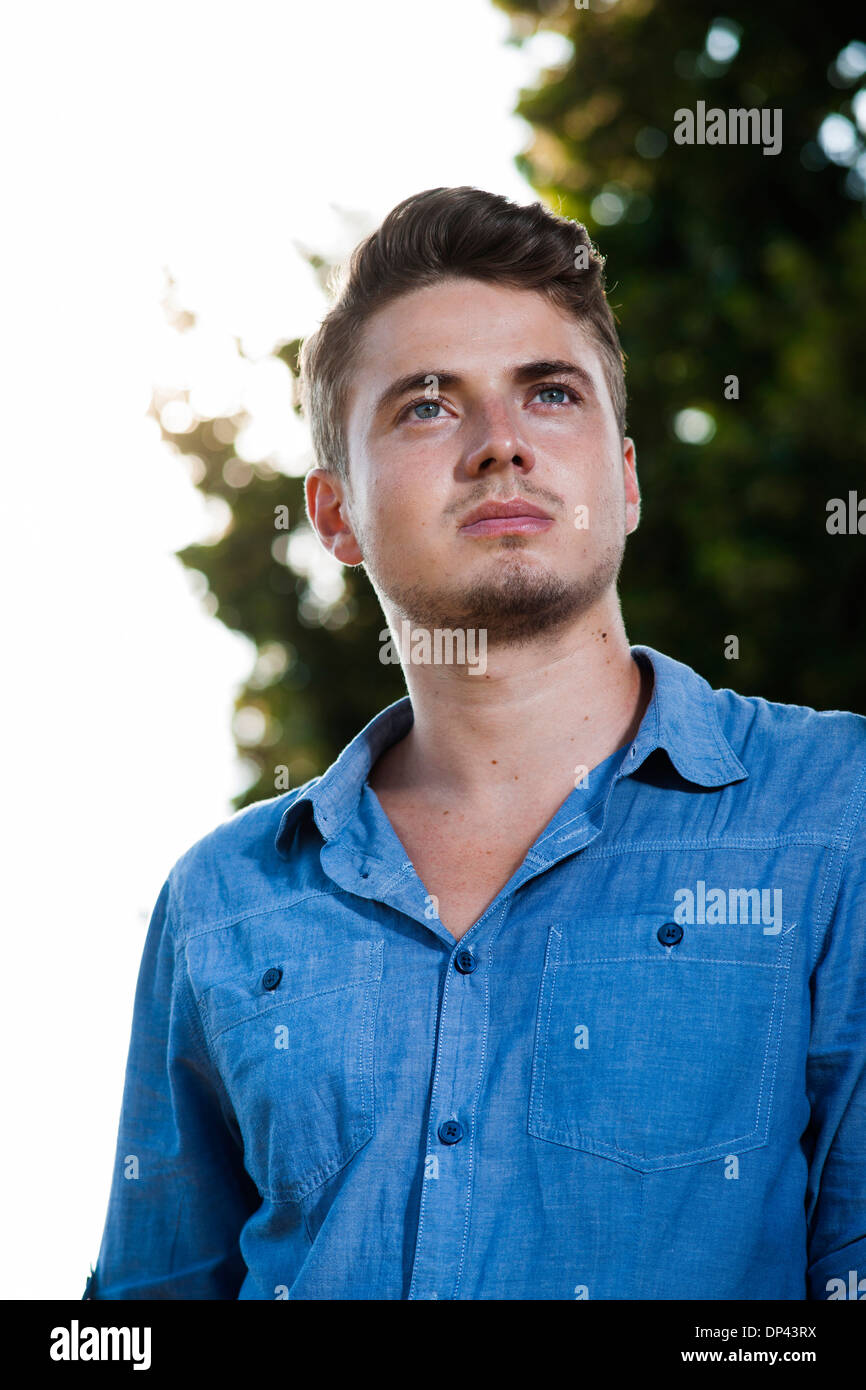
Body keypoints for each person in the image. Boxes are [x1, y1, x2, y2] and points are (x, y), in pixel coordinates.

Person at [84, 187, 866, 1301]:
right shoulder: (221, 901)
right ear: (335, 514)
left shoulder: (833, 814)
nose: (501, 445)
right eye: (425, 407)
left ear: (626, 479)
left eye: (549, 393)